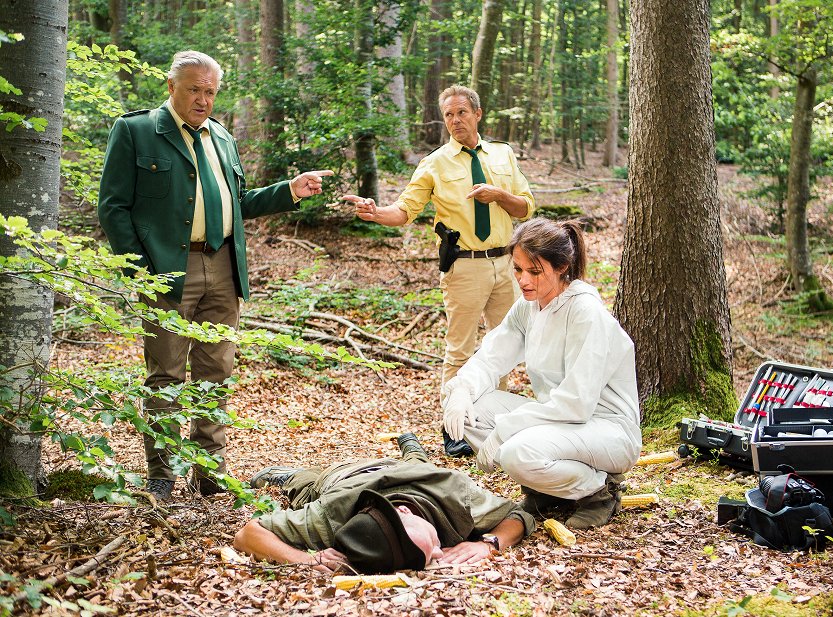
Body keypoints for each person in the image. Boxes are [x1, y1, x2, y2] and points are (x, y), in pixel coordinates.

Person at [98, 50, 333, 500]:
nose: (203, 99)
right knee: (165, 374)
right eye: (194, 89)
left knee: (216, 371)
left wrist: (289, 191)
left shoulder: (222, 138)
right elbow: (112, 207)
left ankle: (208, 472)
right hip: (166, 270)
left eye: (210, 91)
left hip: (223, 265)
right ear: (172, 86)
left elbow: (237, 202)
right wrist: (140, 270)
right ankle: (161, 475)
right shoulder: (137, 130)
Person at [342, 85, 535, 456]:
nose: (455, 120)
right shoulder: (435, 163)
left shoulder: (503, 155)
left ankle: (497, 424)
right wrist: (375, 212)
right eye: (448, 114)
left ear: (478, 114)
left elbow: (525, 207)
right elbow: (404, 211)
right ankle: (455, 431)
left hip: (507, 264)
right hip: (464, 266)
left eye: (462, 112)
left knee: (505, 346)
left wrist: (498, 195)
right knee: (460, 349)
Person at [441, 218, 642, 529]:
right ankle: (547, 490)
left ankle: (600, 492)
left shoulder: (586, 314)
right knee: (472, 410)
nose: (523, 280)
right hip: (557, 422)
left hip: (607, 429)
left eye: (534, 272)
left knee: (516, 453)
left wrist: (507, 428)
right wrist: (461, 390)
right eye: (518, 269)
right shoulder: (528, 308)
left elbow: (575, 404)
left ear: (561, 267)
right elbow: (492, 356)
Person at [232, 433, 534, 573]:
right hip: (341, 478)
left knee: (417, 463)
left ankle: (411, 446)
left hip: (404, 471)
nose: (442, 550)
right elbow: (248, 534)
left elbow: (518, 515)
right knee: (306, 485)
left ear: (404, 513)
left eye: (432, 546)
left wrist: (490, 543)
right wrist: (306, 560)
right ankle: (287, 475)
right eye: (434, 544)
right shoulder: (331, 517)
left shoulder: (456, 491)